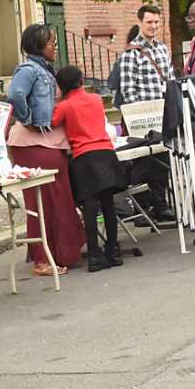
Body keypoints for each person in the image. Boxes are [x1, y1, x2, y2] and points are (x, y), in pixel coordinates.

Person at [4, 22, 85, 276]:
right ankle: (43, 259)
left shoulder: (44, 70)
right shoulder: (29, 69)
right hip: (34, 143)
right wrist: (29, 119)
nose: (55, 47)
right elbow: (16, 95)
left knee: (58, 196)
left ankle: (59, 252)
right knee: (44, 199)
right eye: (52, 43)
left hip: (47, 141)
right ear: (40, 46)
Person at [53, 65, 138, 272]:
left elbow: (52, 123)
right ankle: (113, 250)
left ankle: (94, 255)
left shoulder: (64, 106)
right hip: (106, 153)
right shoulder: (96, 100)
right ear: (81, 80)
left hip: (84, 157)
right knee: (108, 204)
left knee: (90, 209)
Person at [115, 3, 176, 114]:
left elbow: (171, 81)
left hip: (167, 111)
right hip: (146, 115)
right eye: (149, 22)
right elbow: (128, 90)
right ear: (140, 23)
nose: (153, 26)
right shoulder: (131, 52)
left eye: (156, 22)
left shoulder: (163, 49)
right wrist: (141, 115)